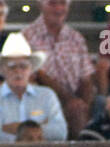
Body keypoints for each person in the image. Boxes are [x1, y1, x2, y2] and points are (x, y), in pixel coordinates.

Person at [0, 32, 64, 147]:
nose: (18, 71)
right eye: (12, 66)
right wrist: (38, 133)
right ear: (2, 69)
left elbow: (60, 133)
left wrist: (17, 130)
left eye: (23, 66)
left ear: (31, 69)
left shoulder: (47, 95)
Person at [23, 0, 96, 134]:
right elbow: (37, 74)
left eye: (63, 4)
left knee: (102, 104)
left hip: (76, 97)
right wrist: (70, 100)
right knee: (76, 109)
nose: (58, 9)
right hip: (43, 99)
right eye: (53, 3)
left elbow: (86, 78)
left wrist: (84, 104)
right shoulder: (26, 37)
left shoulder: (76, 37)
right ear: (41, 5)